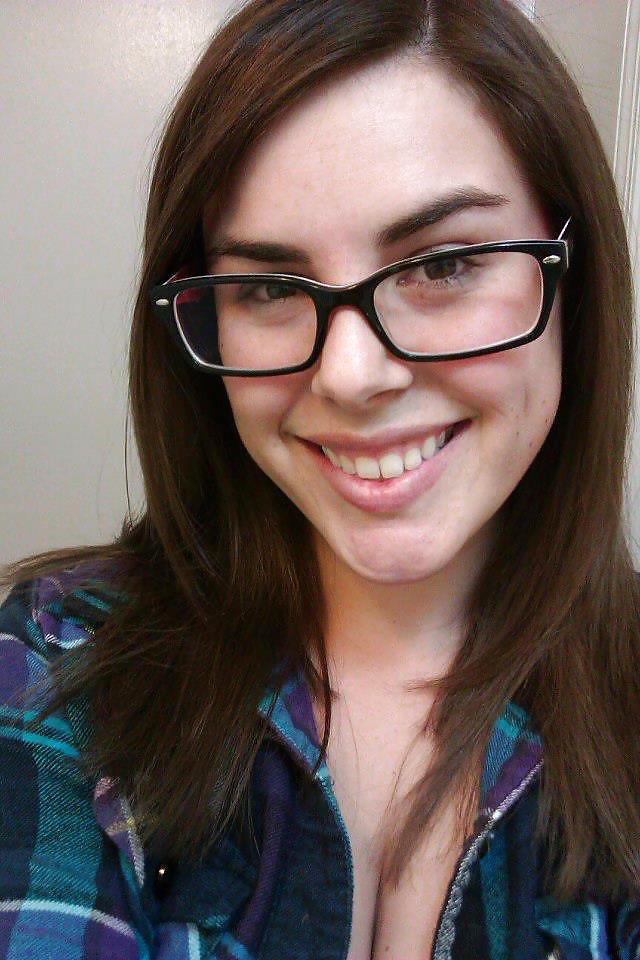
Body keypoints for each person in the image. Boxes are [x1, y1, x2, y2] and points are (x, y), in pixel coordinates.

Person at [1, 0, 639, 957]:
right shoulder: (56, 666)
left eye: (444, 264)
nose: (348, 375)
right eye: (266, 288)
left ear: (570, 281)